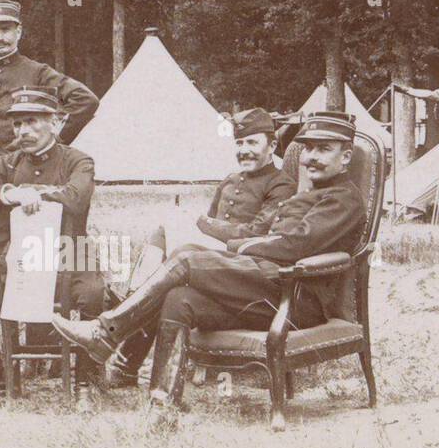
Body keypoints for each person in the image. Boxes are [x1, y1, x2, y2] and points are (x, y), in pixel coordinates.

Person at [52, 112, 366, 425]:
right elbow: (280, 240)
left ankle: (106, 333)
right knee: (179, 297)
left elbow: (294, 246)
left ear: (346, 156)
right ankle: (163, 404)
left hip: (297, 301)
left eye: (323, 149)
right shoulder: (312, 191)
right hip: (266, 288)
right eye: (308, 148)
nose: (311, 157)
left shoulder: (343, 199)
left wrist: (238, 246)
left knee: (187, 258)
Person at [104, 108, 297, 388]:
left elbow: (257, 233)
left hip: (243, 270)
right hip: (212, 263)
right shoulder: (230, 181)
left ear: (272, 145)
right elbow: (208, 225)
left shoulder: (282, 184)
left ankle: (127, 330)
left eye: (252, 143)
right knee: (164, 244)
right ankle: (136, 304)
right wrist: (202, 226)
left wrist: (203, 224)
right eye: (240, 144)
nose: (244, 151)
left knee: (166, 276)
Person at [0, 88, 104, 413]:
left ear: (56, 124)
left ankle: (86, 382)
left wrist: (33, 192)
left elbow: (76, 198)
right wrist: (6, 193)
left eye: (31, 122)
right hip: (21, 262)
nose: (23, 132)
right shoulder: (7, 163)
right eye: (17, 125)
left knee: (94, 295)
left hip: (70, 255)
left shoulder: (79, 160)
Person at [0, 0, 99, 258]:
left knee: (37, 258)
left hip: (32, 182)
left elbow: (85, 100)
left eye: (5, 30)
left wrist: (50, 137)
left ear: (18, 31)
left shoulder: (38, 72)